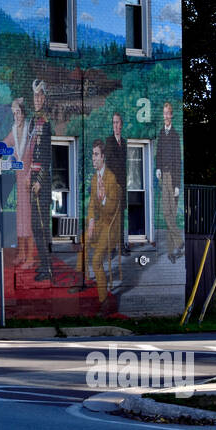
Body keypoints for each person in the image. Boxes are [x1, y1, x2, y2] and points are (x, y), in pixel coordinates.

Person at [85, 141, 120, 312]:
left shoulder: (110, 178)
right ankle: (83, 281)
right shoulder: (94, 178)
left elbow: (112, 209)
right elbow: (91, 204)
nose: (93, 158)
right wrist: (91, 222)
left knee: (96, 260)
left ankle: (104, 301)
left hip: (111, 226)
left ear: (103, 157)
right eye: (92, 154)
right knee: (82, 241)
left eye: (96, 154)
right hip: (100, 223)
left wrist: (104, 196)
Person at [27, 79, 54, 282]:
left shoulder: (46, 123)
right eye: (34, 96)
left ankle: (48, 267)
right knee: (35, 225)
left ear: (44, 98)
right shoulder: (32, 121)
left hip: (42, 183)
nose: (37, 99)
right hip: (33, 177)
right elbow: (31, 152)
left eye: (39, 96)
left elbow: (47, 157)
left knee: (43, 226)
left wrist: (39, 181)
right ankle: (43, 264)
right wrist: (28, 174)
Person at [6, 97, 34, 269]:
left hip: (28, 182)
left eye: (18, 112)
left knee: (28, 220)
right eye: (13, 113)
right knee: (20, 220)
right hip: (19, 182)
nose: (16, 116)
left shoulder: (30, 131)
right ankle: (22, 253)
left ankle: (30, 257)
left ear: (23, 113)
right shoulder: (14, 131)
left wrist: (30, 174)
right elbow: (5, 143)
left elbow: (36, 156)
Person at [155, 101, 185, 262]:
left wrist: (178, 186)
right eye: (164, 113)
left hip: (172, 179)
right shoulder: (161, 133)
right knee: (168, 214)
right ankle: (173, 250)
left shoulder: (175, 136)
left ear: (171, 115)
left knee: (170, 214)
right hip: (163, 176)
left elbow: (178, 162)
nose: (166, 116)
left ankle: (175, 247)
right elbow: (158, 153)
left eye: (168, 113)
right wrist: (157, 167)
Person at [104, 111, 128, 250]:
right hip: (112, 186)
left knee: (120, 217)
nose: (115, 125)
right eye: (113, 122)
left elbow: (124, 163)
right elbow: (113, 162)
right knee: (112, 217)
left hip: (122, 186)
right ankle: (111, 247)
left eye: (117, 122)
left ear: (121, 125)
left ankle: (121, 246)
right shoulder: (109, 141)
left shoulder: (124, 142)